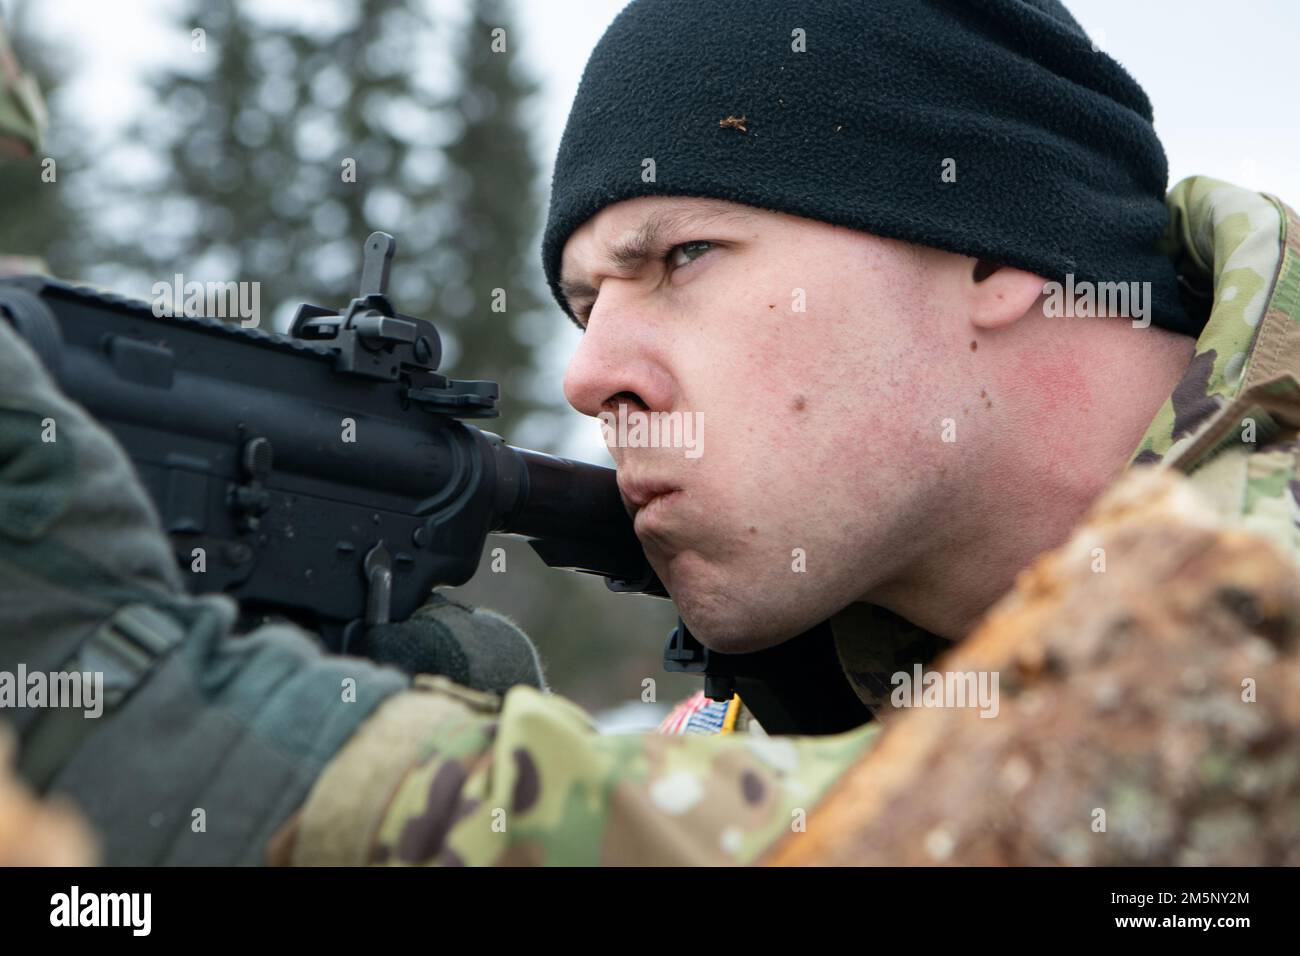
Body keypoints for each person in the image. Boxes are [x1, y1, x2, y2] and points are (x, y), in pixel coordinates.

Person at [3, 0, 1297, 866]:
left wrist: (246, 750)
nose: (589, 376)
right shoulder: (787, 702)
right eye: (582, 304)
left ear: (992, 251)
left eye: (683, 256)